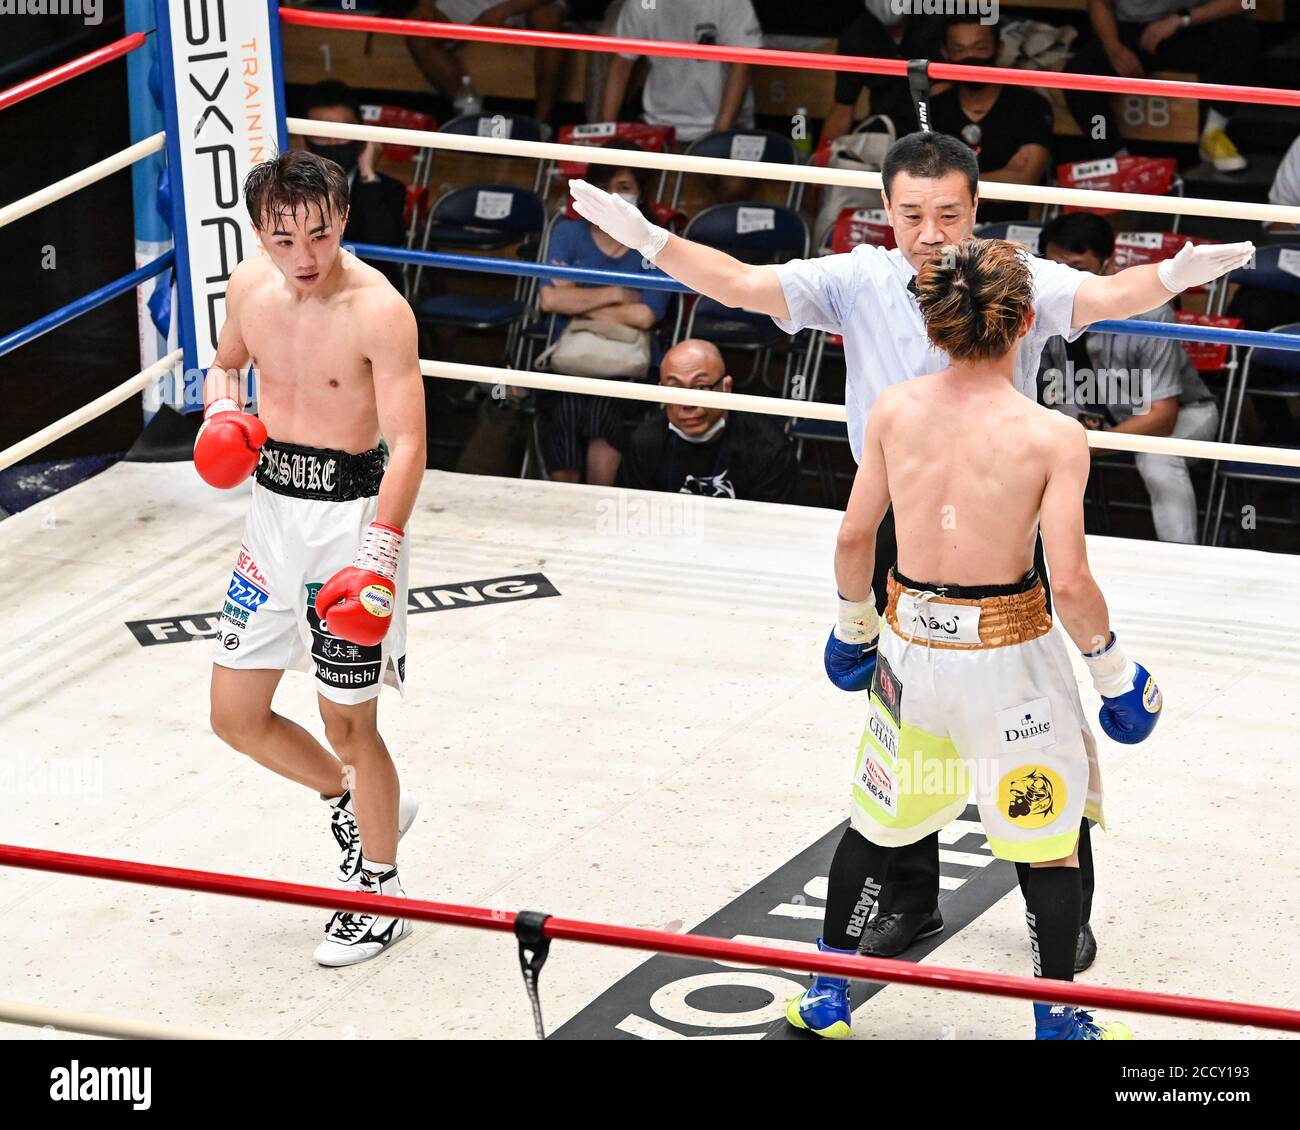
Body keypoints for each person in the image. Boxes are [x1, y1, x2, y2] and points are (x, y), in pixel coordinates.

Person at [568, 131, 1251, 966]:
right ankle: (912, 904)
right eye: (913, 215)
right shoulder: (857, 276)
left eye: (949, 214)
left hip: (1008, 512)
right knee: (903, 725)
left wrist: (1179, 273)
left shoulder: (1010, 280)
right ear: (885, 211)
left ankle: (1063, 916)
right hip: (902, 509)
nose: (931, 233)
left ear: (977, 209)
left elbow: (1109, 297)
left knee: (1044, 719)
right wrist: (646, 239)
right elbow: (741, 284)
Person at [787, 236, 1160, 1040]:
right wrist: (1117, 675)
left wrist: (853, 630)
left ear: (932, 325)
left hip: (908, 650)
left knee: (876, 826)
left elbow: (856, 540)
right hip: (1013, 667)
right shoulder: (1053, 436)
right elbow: (1071, 584)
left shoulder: (893, 411)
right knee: (1048, 841)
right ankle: (1057, 1021)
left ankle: (826, 996)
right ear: (1026, 322)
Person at [195, 150, 426, 967]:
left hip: (352, 526)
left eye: (321, 235)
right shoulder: (247, 288)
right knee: (234, 715)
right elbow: (226, 369)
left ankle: (381, 891)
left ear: (342, 221)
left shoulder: (380, 310)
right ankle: (348, 798)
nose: (305, 257)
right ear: (259, 232)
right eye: (285, 240)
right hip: (272, 519)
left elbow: (409, 446)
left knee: (349, 720)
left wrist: (377, 557)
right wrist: (218, 420)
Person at [1038, 212, 1219, 544]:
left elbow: (1162, 418)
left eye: (1078, 269)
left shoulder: (1152, 311)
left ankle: (1184, 564)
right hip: (1087, 415)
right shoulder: (1043, 300)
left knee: (1157, 458)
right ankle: (1034, 563)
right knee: (1029, 446)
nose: (1064, 280)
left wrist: (1083, 446)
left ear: (1109, 263)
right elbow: (1044, 396)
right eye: (1055, 267)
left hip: (1180, 414)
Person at [537, 143, 671, 485]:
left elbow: (646, 315)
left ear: (642, 192)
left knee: (602, 407)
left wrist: (579, 299)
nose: (614, 196)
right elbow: (550, 300)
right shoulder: (568, 232)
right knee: (565, 406)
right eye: (607, 186)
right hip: (568, 362)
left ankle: (597, 501)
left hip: (627, 367)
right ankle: (565, 504)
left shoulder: (656, 242)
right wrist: (614, 294)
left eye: (624, 188)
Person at [1063, 0, 1258, 172]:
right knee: (1079, 75)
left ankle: (1213, 133)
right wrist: (1113, 48)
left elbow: (1248, 2)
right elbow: (1099, 3)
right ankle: (1115, 157)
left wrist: (1182, 19)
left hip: (1190, 26)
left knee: (1242, 35)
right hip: (1130, 32)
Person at [619, 339, 799, 502]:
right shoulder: (644, 443)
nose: (687, 404)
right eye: (675, 389)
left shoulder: (768, 447)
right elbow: (632, 520)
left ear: (725, 387)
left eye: (700, 387)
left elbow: (773, 529)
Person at [928, 16, 1054, 224]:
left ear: (999, 48)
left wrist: (951, 183)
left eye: (980, 48)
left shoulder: (1030, 106)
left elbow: (1025, 178)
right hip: (942, 227)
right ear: (945, 53)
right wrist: (1000, 179)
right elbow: (924, 179)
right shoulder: (934, 106)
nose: (970, 57)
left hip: (1010, 232)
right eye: (959, 50)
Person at [599, 0, 762, 145]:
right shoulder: (646, 3)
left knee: (732, 177)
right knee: (623, 175)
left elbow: (742, 66)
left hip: (726, 125)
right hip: (658, 124)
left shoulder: (728, 2)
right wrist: (605, 134)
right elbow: (621, 66)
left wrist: (718, 135)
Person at [299, 80, 409, 290]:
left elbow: (384, 243)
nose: (332, 142)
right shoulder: (288, 192)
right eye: (321, 134)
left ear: (361, 135)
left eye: (341, 133)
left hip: (369, 297)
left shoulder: (388, 189)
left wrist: (368, 174)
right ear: (305, 139)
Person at [386, 0, 567, 124]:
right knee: (419, 31)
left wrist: (500, 12)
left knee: (548, 18)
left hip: (530, 4)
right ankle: (470, 114)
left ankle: (542, 124)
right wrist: (424, 4)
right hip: (472, 2)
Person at [818, 0, 943, 147]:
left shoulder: (936, 25)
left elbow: (960, 83)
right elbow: (844, 105)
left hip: (940, 131)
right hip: (884, 138)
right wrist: (822, 154)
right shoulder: (856, 36)